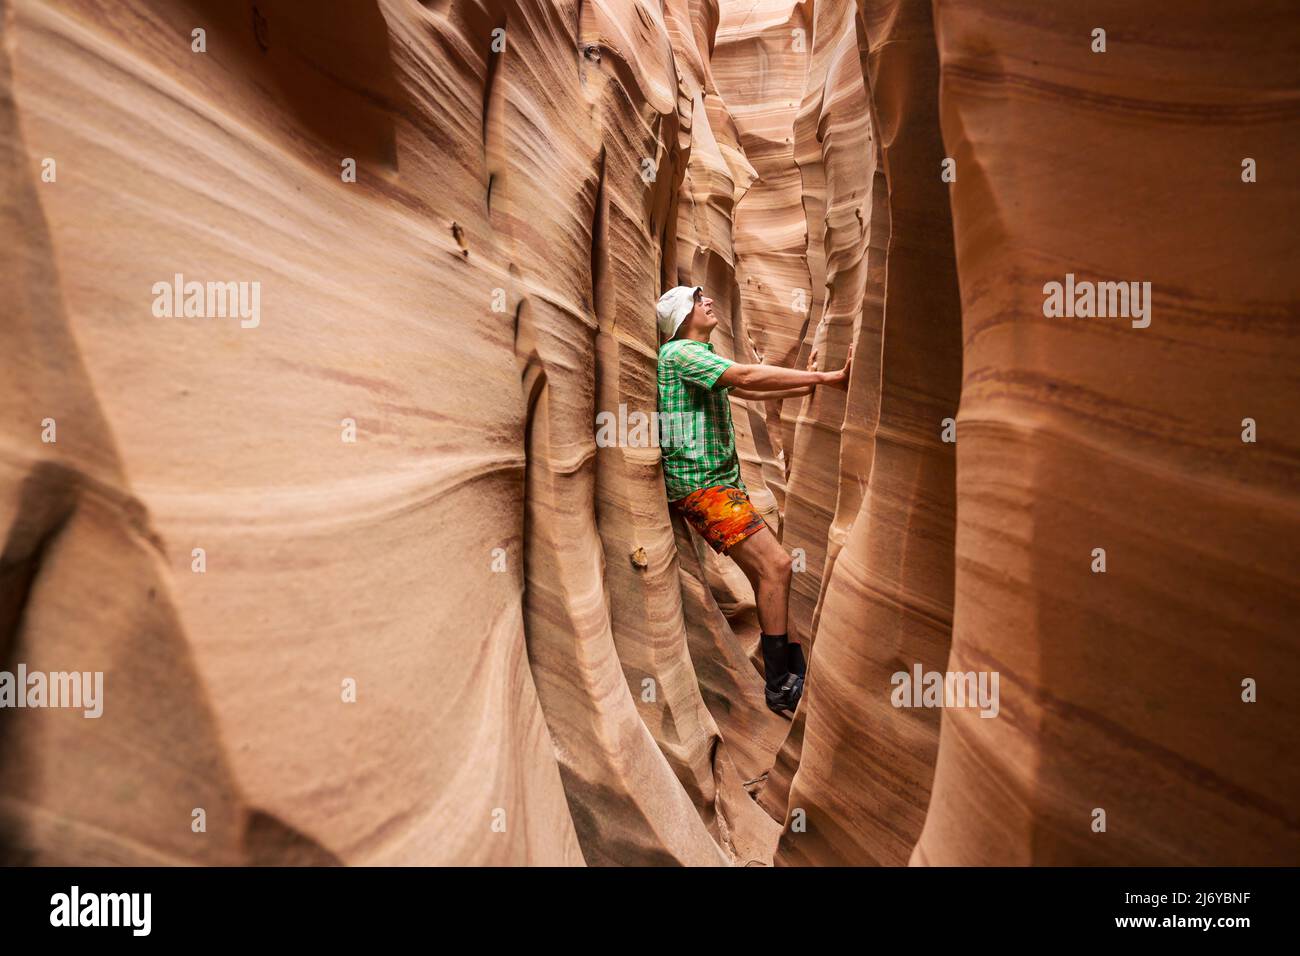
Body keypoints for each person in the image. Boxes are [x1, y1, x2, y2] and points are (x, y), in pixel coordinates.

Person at [655, 285, 851, 715]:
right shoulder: (681, 353)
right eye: (697, 299)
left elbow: (745, 390)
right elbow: (745, 377)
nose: (707, 301)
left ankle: (793, 673)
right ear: (681, 318)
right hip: (703, 487)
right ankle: (781, 683)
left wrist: (806, 387)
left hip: (717, 485)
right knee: (777, 566)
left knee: (772, 573)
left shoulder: (696, 359)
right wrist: (825, 378)